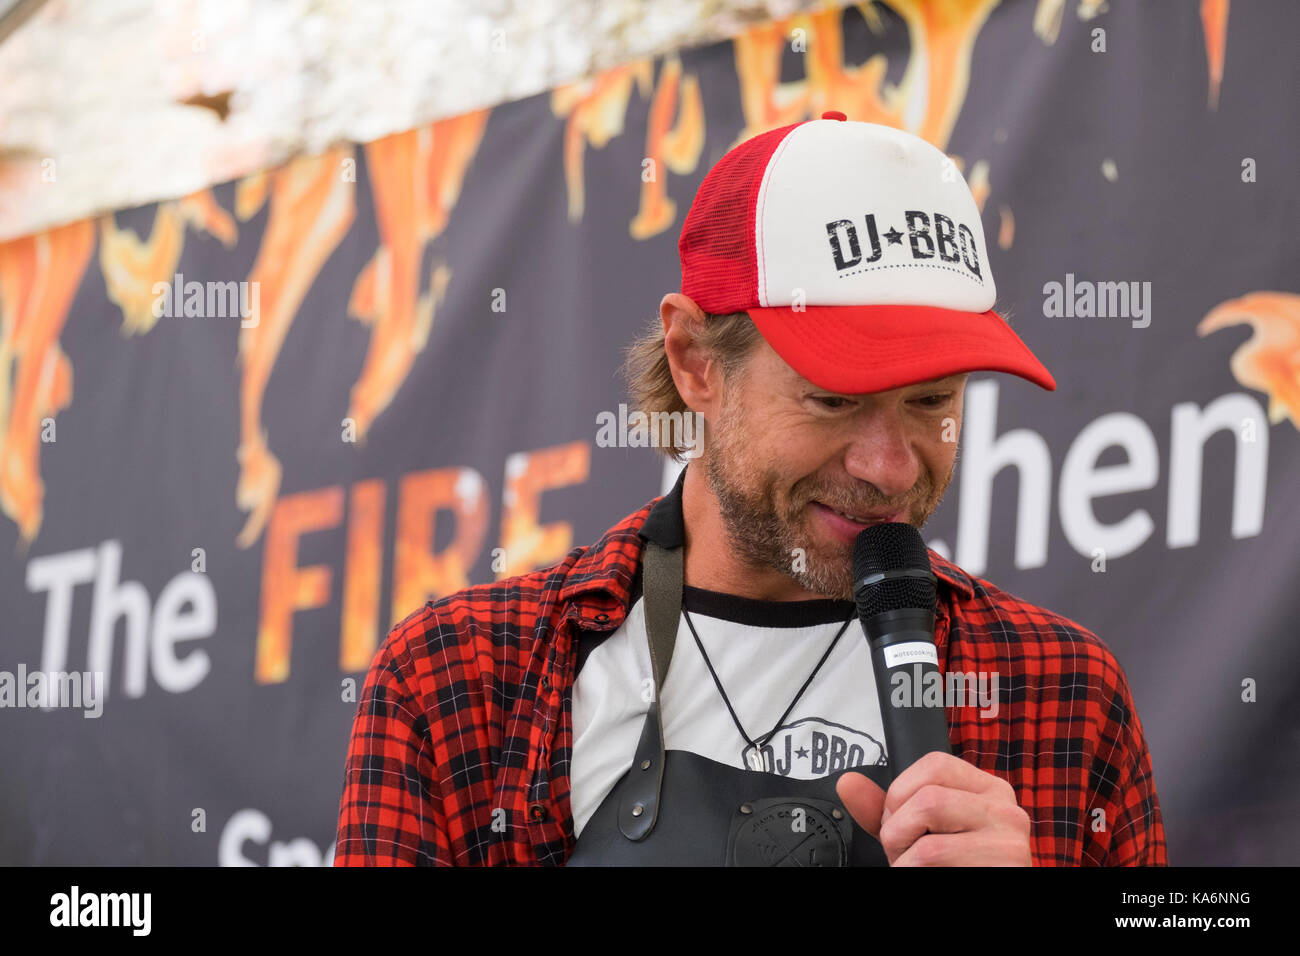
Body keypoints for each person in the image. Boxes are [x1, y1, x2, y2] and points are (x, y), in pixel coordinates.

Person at [333, 112, 1167, 866]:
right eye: (833, 399)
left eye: (930, 401)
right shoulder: (466, 678)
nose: (891, 467)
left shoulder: (1060, 686)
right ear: (697, 361)